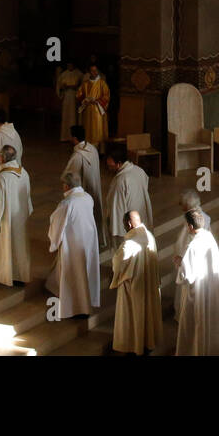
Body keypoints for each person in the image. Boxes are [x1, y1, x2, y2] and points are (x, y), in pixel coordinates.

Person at [46, 171, 101, 318]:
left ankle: (76, 307)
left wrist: (54, 240)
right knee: (85, 272)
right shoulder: (87, 197)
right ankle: (87, 301)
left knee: (74, 274)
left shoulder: (67, 203)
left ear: (66, 186)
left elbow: (57, 223)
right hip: (88, 241)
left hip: (73, 244)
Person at [0, 145, 33, 286]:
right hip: (20, 218)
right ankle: (19, 275)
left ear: (2, 158)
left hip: (5, 220)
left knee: (1, 247)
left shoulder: (2, 177)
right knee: (19, 248)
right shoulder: (24, 173)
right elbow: (27, 198)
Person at [111, 210, 161, 355]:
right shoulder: (149, 236)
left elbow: (118, 263)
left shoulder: (130, 243)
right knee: (146, 315)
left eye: (124, 225)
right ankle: (146, 342)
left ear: (128, 223)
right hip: (149, 283)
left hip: (134, 287)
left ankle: (134, 345)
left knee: (134, 316)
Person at [175, 208, 219, 355]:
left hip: (197, 295)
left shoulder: (193, 246)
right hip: (211, 290)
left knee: (194, 327)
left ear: (190, 226)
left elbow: (186, 275)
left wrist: (180, 262)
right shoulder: (210, 238)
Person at [64, 125, 105, 243]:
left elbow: (69, 176)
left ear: (74, 138)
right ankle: (97, 239)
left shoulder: (78, 156)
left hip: (84, 192)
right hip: (95, 187)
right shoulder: (92, 148)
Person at [77, 63, 110, 145]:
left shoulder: (102, 83)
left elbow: (106, 96)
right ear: (89, 72)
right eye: (92, 71)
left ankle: (99, 148)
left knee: (97, 130)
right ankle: (87, 146)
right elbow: (79, 95)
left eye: (95, 71)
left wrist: (97, 101)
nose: (94, 72)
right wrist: (85, 99)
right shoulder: (85, 83)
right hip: (88, 110)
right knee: (88, 129)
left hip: (98, 110)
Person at [55, 61, 84, 141]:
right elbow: (59, 86)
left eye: (71, 65)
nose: (70, 66)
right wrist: (62, 90)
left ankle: (74, 137)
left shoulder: (79, 74)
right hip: (67, 96)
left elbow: (83, 85)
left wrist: (77, 89)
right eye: (68, 65)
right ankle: (65, 136)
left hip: (75, 97)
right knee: (66, 116)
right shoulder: (63, 74)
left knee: (73, 116)